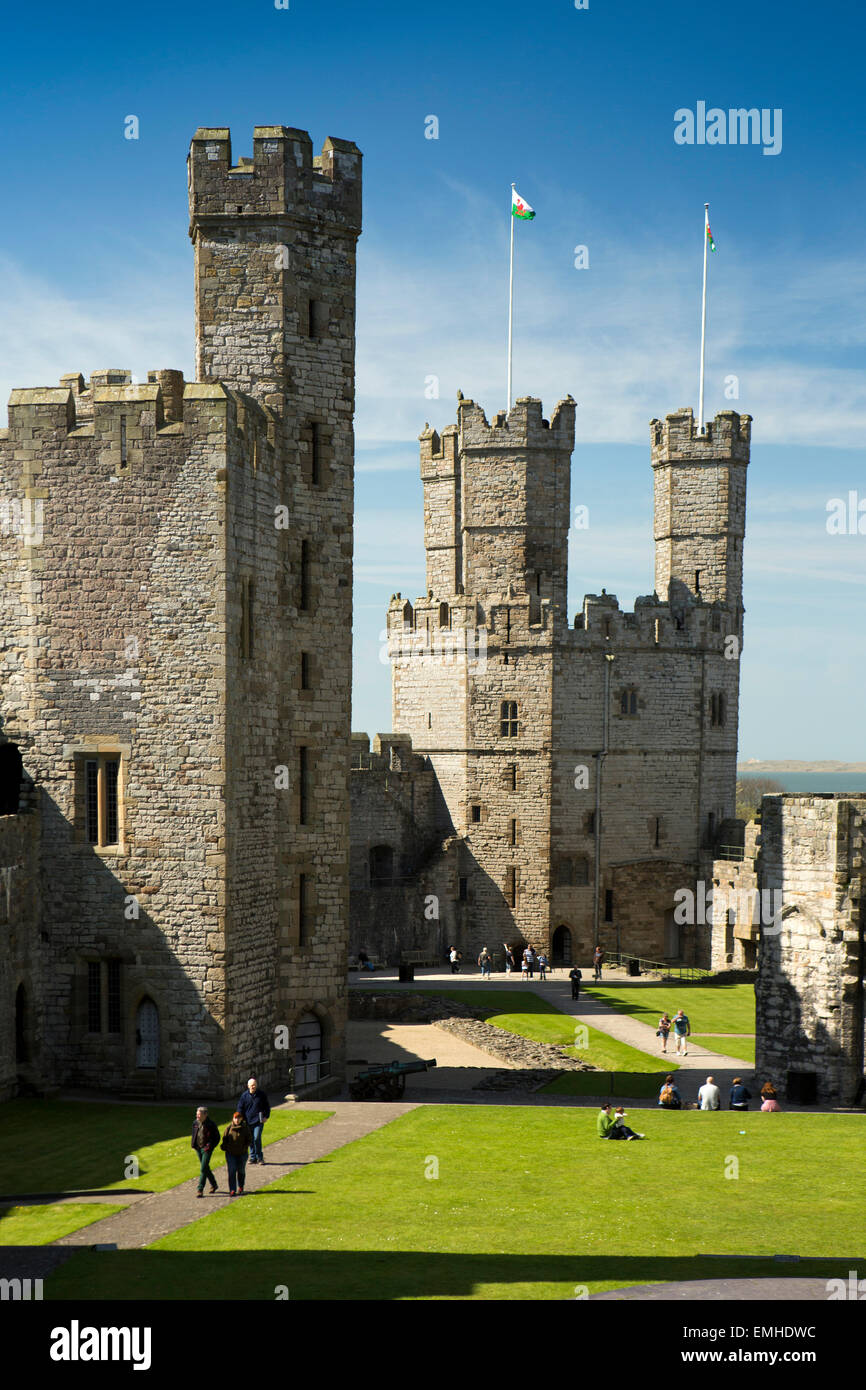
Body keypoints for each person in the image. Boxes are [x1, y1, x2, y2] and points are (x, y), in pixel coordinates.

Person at [238, 1076, 271, 1164]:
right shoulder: (244, 1096)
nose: (253, 1087)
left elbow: (267, 1107)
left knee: (256, 1138)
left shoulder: (261, 1095)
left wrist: (266, 1117)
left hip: (258, 1121)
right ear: (248, 1086)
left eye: (254, 1085)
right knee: (250, 1139)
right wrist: (239, 1119)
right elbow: (240, 1108)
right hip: (248, 1121)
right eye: (251, 1085)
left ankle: (260, 1157)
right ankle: (253, 1157)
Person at [220, 1111, 253, 1197]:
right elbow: (225, 1139)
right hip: (231, 1153)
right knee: (231, 1171)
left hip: (242, 1153)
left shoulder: (245, 1128)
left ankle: (241, 1186)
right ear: (233, 1119)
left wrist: (244, 1147)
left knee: (241, 1170)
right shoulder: (229, 1128)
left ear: (241, 1119)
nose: (237, 1120)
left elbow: (249, 1139)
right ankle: (232, 1190)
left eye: (238, 1118)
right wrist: (225, 1147)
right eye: (235, 1118)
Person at [191, 1105, 220, 1197]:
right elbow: (194, 1134)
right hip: (198, 1148)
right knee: (206, 1167)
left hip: (206, 1149)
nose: (197, 1116)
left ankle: (200, 1189)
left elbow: (217, 1138)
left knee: (203, 1168)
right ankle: (214, 1184)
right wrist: (194, 1145)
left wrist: (210, 1146)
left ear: (205, 1115)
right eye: (197, 1114)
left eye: (199, 1115)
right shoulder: (195, 1123)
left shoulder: (211, 1124)